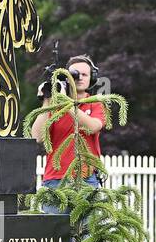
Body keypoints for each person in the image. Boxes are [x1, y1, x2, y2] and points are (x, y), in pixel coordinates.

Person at [29, 55, 107, 213]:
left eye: (85, 75)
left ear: (92, 78)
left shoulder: (95, 103)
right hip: (55, 179)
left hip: (86, 179)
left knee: (85, 234)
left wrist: (67, 103)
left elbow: (93, 126)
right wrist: (47, 99)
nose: (80, 78)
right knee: (54, 235)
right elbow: (36, 136)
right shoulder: (53, 105)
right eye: (76, 74)